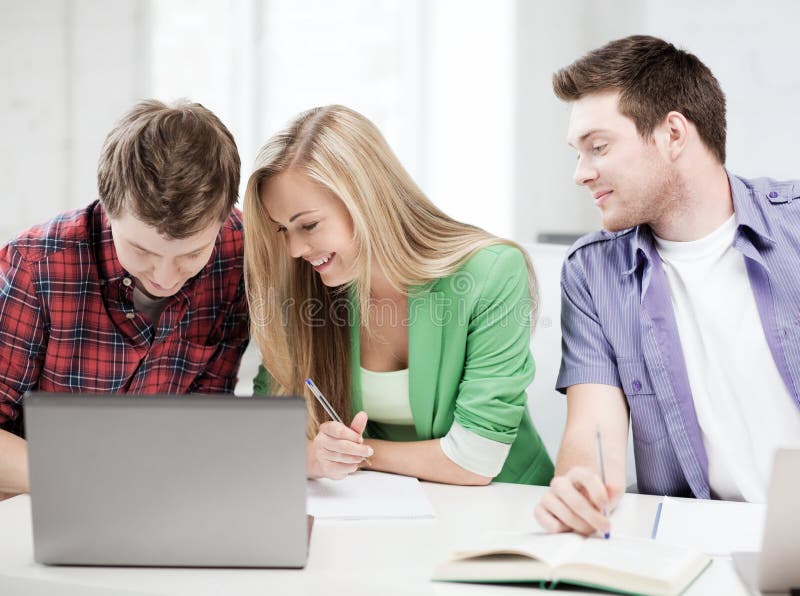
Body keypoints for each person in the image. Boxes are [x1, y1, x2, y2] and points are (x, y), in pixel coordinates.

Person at [534, 35, 800, 536]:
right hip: (700, 547)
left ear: (673, 133)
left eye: (598, 147)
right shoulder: (593, 273)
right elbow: (592, 444)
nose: (581, 173)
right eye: (578, 152)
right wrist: (579, 491)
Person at [244, 105, 554, 486]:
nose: (294, 249)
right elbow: (266, 435)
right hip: (383, 512)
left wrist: (353, 456)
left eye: (308, 224)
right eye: (282, 231)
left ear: (366, 198)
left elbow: (476, 458)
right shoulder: (307, 289)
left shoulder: (490, 273)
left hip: (507, 509)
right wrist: (312, 457)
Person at [0, 99, 249, 497]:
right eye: (143, 252)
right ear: (108, 207)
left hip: (166, 497)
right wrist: (88, 478)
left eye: (191, 255)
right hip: (39, 501)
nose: (166, 278)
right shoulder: (36, 267)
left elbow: (207, 417)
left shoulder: (237, 254)